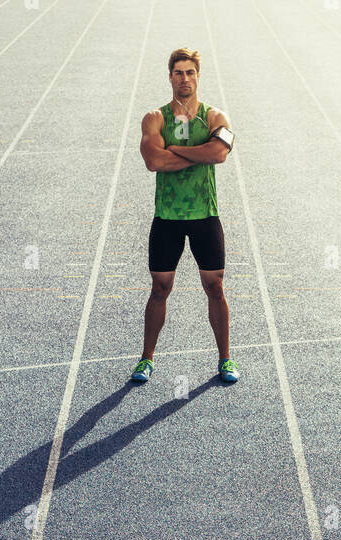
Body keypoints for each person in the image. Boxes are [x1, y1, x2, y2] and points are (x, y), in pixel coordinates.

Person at [131, 47, 239, 385]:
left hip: (205, 215)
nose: (184, 78)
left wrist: (173, 149)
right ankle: (146, 360)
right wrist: (198, 154)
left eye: (190, 72)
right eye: (178, 72)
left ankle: (225, 359)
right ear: (170, 77)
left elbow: (219, 154)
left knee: (215, 286)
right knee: (160, 287)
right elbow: (153, 162)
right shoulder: (155, 118)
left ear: (198, 76)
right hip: (168, 217)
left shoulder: (215, 116)